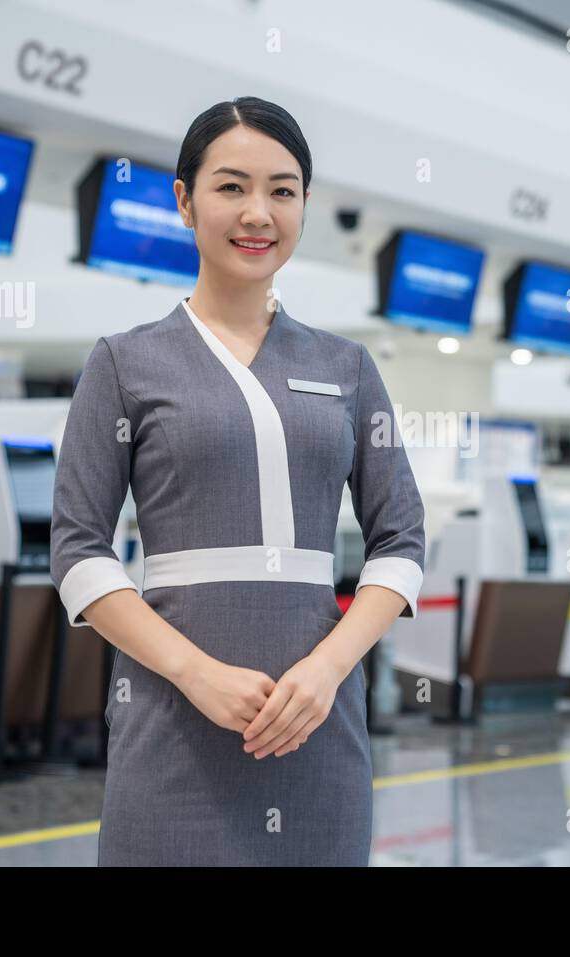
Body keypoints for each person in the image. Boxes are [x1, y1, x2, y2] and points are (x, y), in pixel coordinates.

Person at [49, 96, 426, 866]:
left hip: (317, 720)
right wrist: (197, 673)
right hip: (172, 721)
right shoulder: (124, 362)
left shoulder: (345, 367)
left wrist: (328, 668)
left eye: (282, 191)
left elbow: (401, 541)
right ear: (184, 200)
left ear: (304, 206)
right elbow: (79, 551)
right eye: (231, 187)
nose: (258, 212)